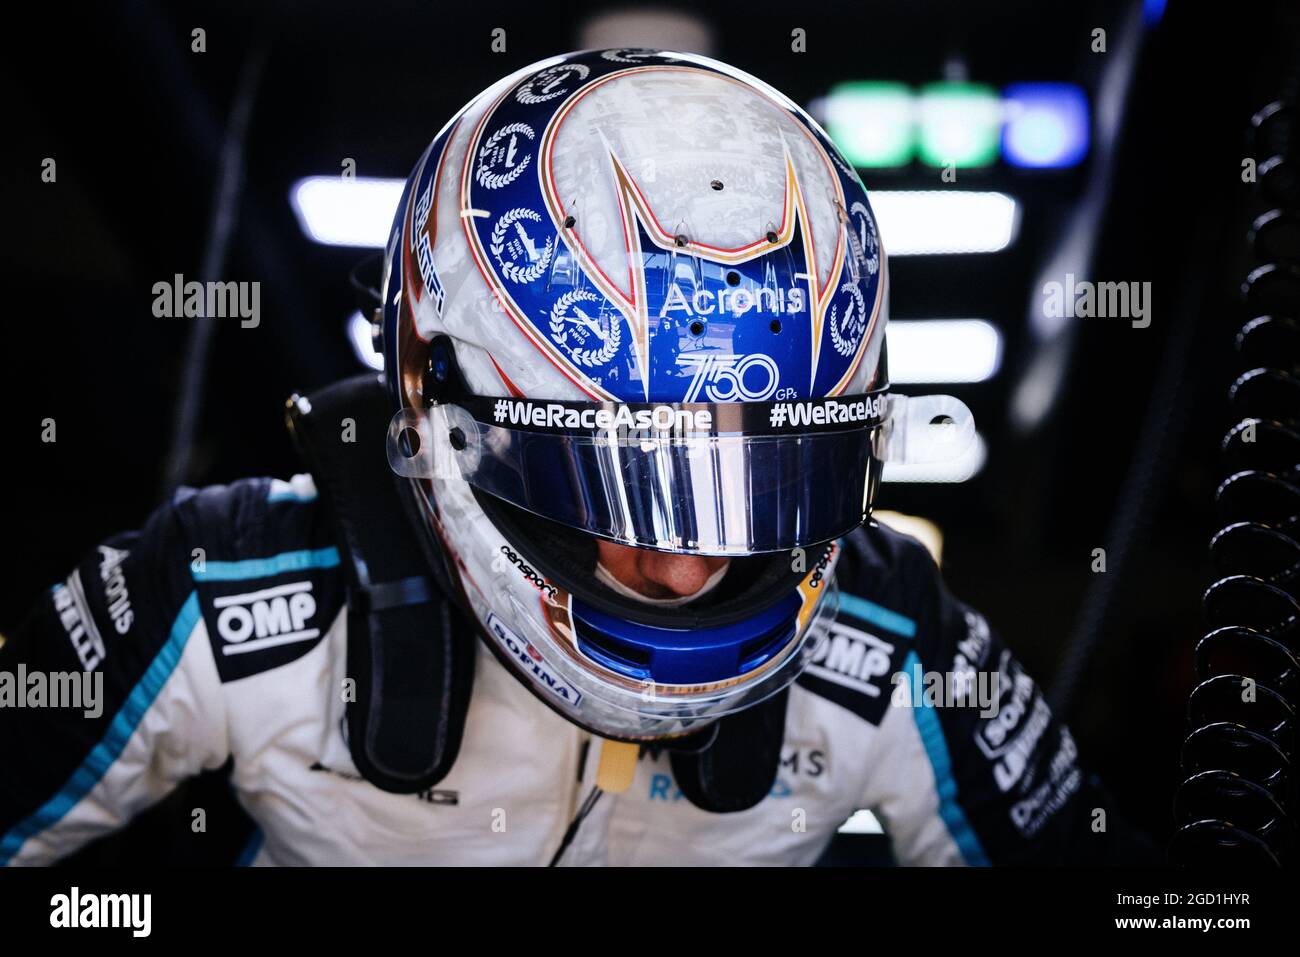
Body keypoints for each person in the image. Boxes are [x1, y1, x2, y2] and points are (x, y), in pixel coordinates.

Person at [0, 49, 1147, 866]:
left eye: (760, 486)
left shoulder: (891, 631)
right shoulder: (225, 587)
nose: (689, 571)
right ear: (437, 401)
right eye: (624, 483)